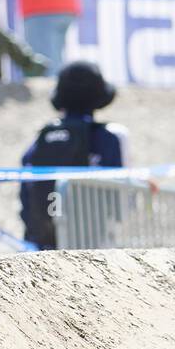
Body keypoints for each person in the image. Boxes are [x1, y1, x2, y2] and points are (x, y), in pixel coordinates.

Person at [19, 62, 127, 250]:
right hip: (93, 243)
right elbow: (119, 198)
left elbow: (25, 194)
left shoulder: (41, 139)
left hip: (42, 246)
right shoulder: (109, 138)